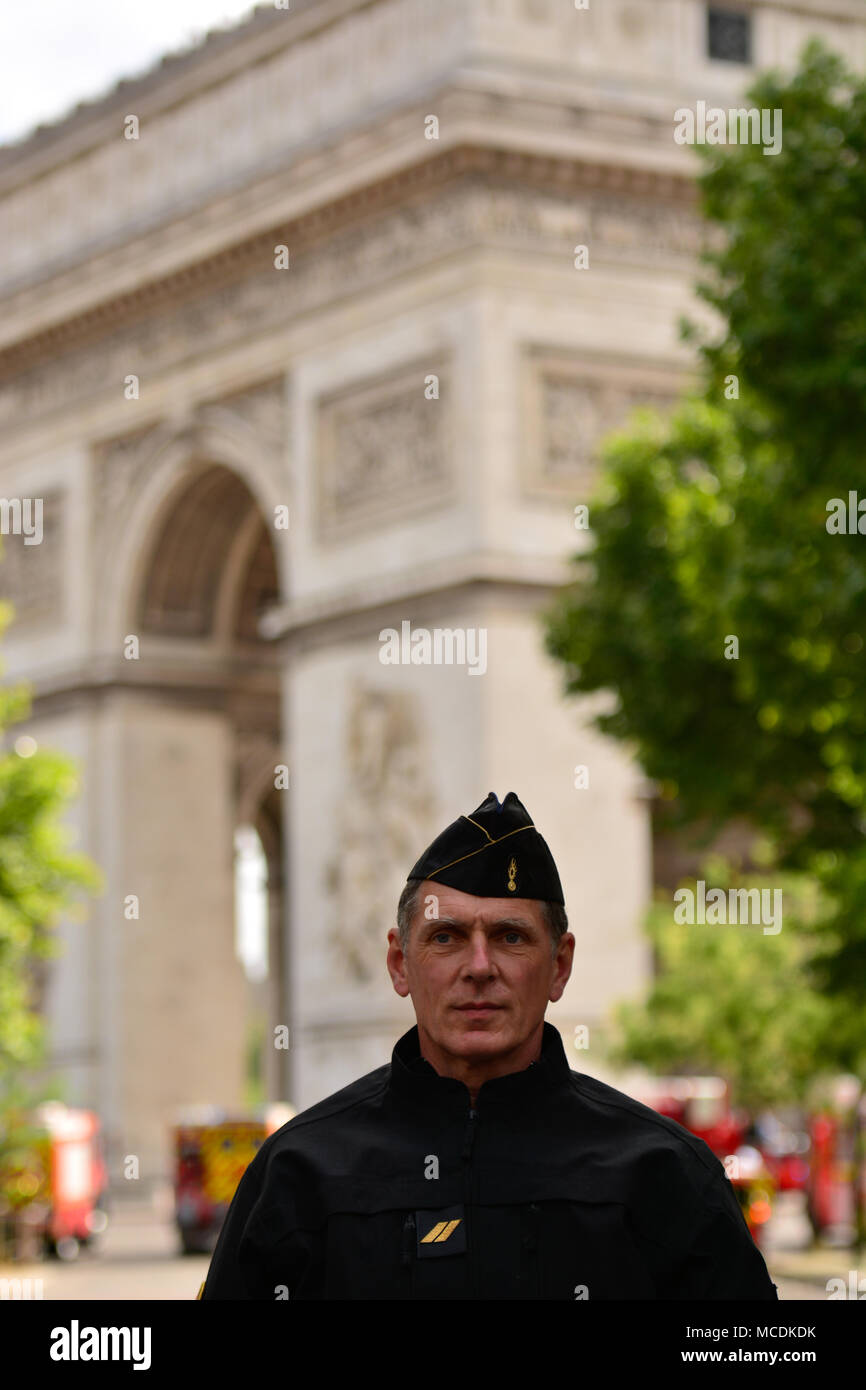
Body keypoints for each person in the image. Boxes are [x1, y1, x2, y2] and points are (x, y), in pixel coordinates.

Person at [199, 791, 778, 1299]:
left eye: (510, 936)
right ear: (401, 964)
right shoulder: (297, 1173)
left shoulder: (666, 1175)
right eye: (446, 937)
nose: (479, 968)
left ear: (560, 965)